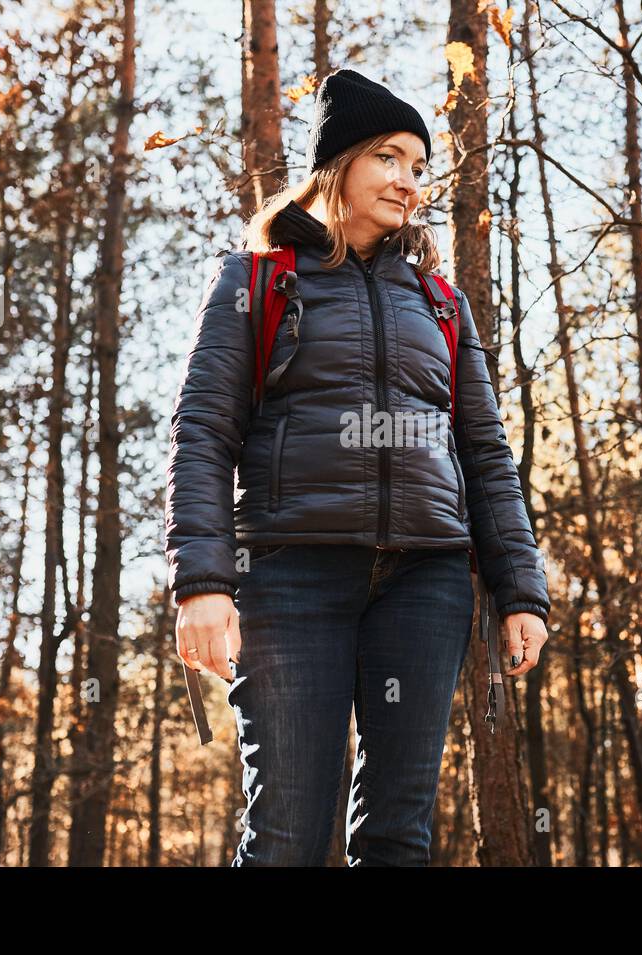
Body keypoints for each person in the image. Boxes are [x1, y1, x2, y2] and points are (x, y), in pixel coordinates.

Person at [164, 68, 551, 866]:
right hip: (291, 573)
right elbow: (203, 431)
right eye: (389, 158)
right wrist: (203, 582)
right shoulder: (257, 282)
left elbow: (484, 452)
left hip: (428, 579)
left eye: (418, 165)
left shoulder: (442, 302)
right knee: (286, 838)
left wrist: (520, 590)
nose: (410, 181)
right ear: (337, 164)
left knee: (396, 840)